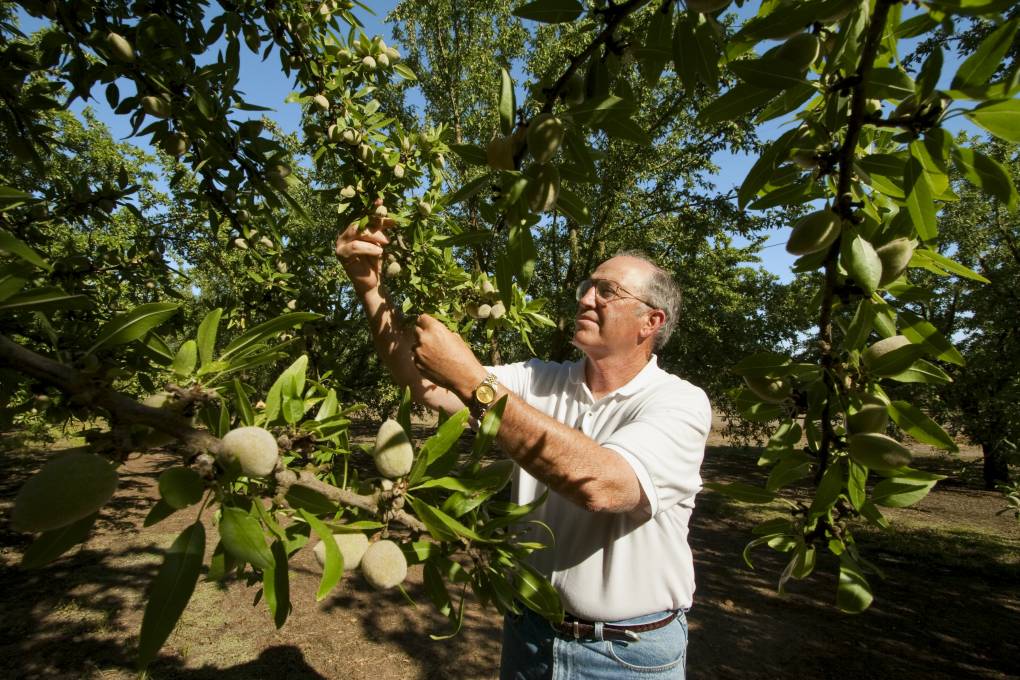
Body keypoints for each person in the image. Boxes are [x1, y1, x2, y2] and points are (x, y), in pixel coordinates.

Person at [335, 212, 711, 679]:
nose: (586, 298)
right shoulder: (539, 380)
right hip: (529, 635)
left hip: (625, 655)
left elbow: (604, 485)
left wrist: (474, 382)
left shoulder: (678, 401)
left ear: (650, 321)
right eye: (587, 287)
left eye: (607, 291)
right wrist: (370, 288)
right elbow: (422, 382)